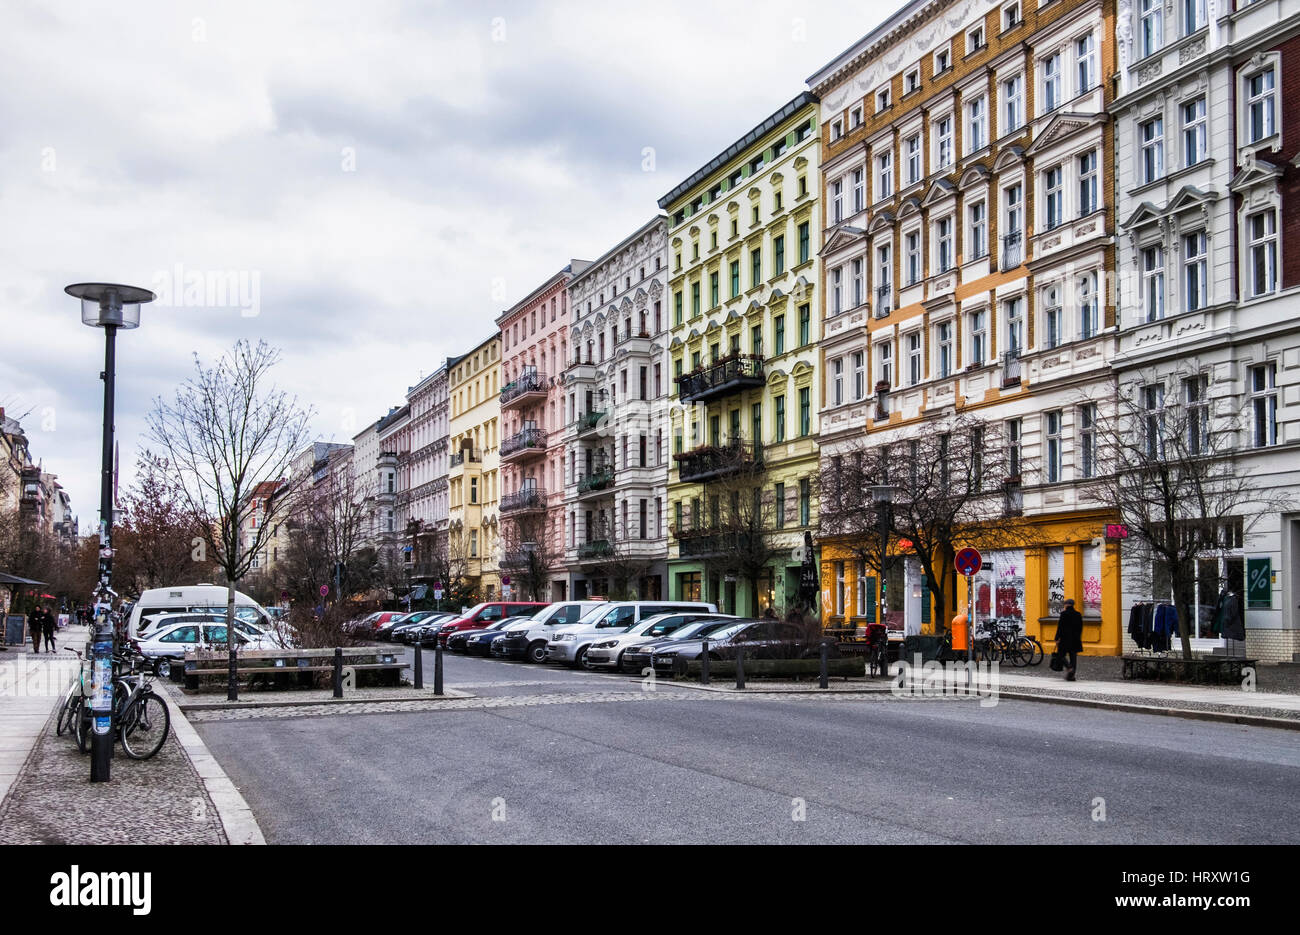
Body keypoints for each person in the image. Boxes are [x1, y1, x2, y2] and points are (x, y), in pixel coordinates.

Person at [1055, 598, 1084, 681]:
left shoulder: (1064, 614)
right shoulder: (1078, 614)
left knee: (1060, 655)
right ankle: (1071, 676)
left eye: (1065, 604)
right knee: (1073, 657)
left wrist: (1057, 637)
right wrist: (1078, 637)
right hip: (1075, 639)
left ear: (1067, 605)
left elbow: (1060, 627)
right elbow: (1080, 628)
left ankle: (1069, 668)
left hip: (1065, 639)